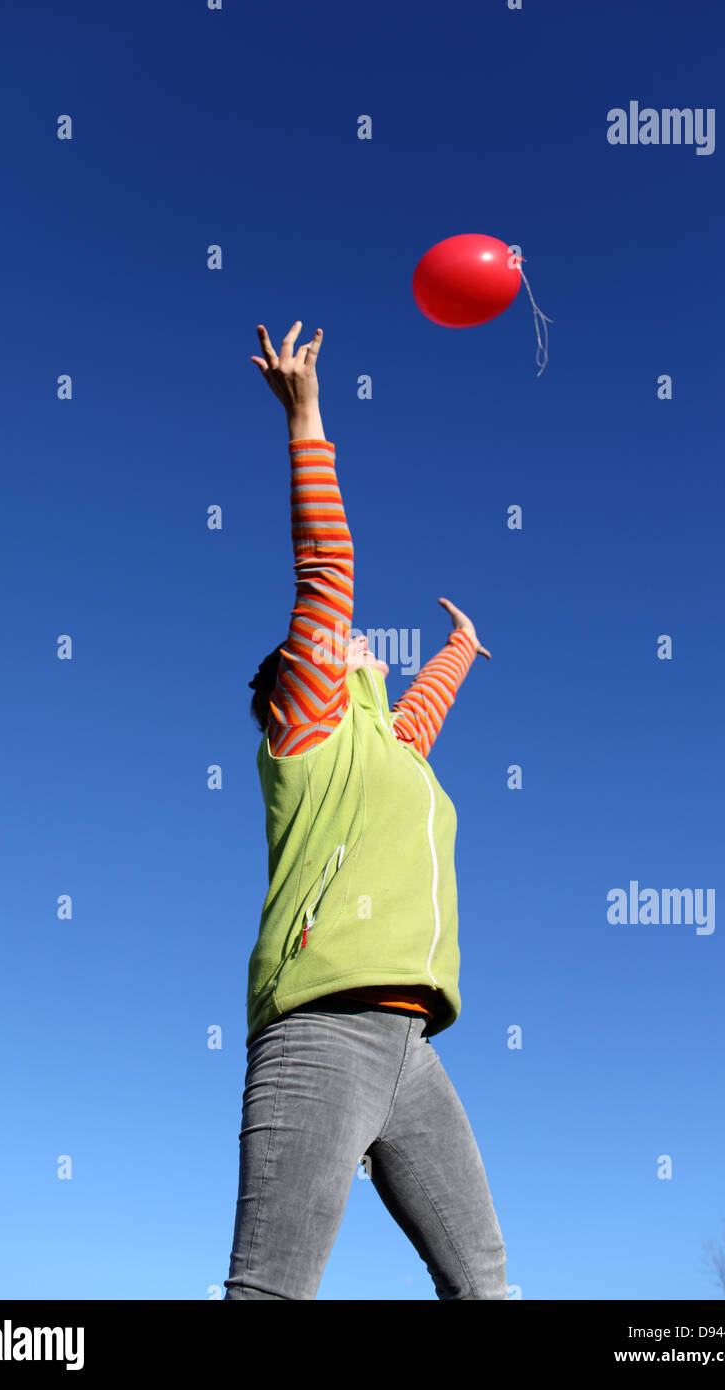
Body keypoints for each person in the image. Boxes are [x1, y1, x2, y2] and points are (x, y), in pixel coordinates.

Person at [223, 320, 508, 1300]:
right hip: (321, 1032)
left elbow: (418, 715)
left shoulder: (386, 747)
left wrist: (461, 648)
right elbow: (326, 572)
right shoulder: (305, 726)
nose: (350, 637)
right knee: (271, 1291)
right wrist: (307, 420)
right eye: (337, 642)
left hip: (412, 1051)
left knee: (486, 1288)